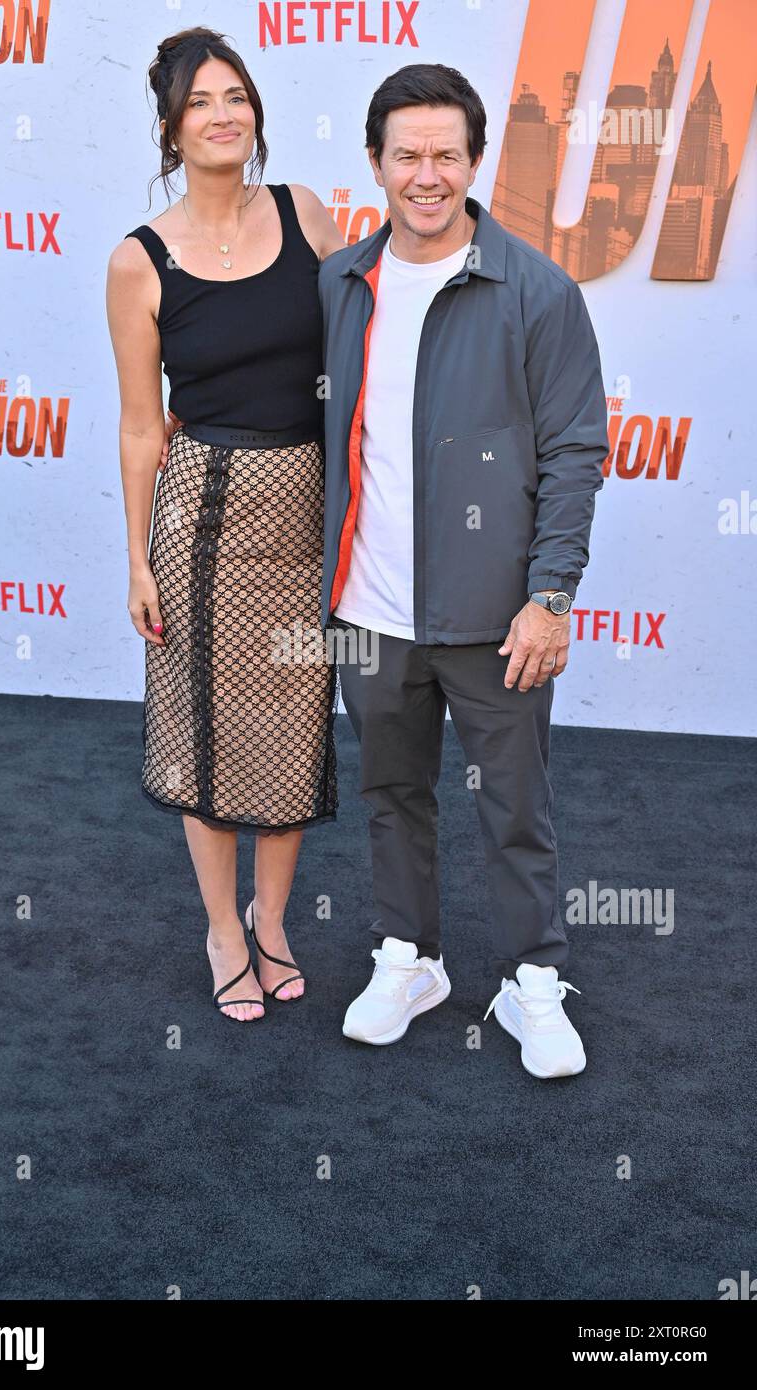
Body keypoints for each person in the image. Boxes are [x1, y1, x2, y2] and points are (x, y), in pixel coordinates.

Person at [318, 64, 610, 1077]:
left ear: (475, 161)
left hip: (497, 616)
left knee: (513, 806)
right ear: (377, 163)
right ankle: (411, 958)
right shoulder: (342, 283)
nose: (427, 175)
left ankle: (534, 982)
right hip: (369, 607)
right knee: (392, 794)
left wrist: (549, 595)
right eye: (408, 155)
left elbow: (576, 449)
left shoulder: (536, 289)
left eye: (447, 154)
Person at [106, 27, 345, 1022]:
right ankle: (220, 931)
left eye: (237, 95)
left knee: (295, 725)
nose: (223, 114)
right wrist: (136, 559)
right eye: (201, 101)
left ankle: (274, 921)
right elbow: (136, 424)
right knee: (204, 731)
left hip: (306, 504)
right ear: (170, 125)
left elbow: (359, 357)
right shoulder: (140, 260)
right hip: (201, 513)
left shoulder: (307, 214)